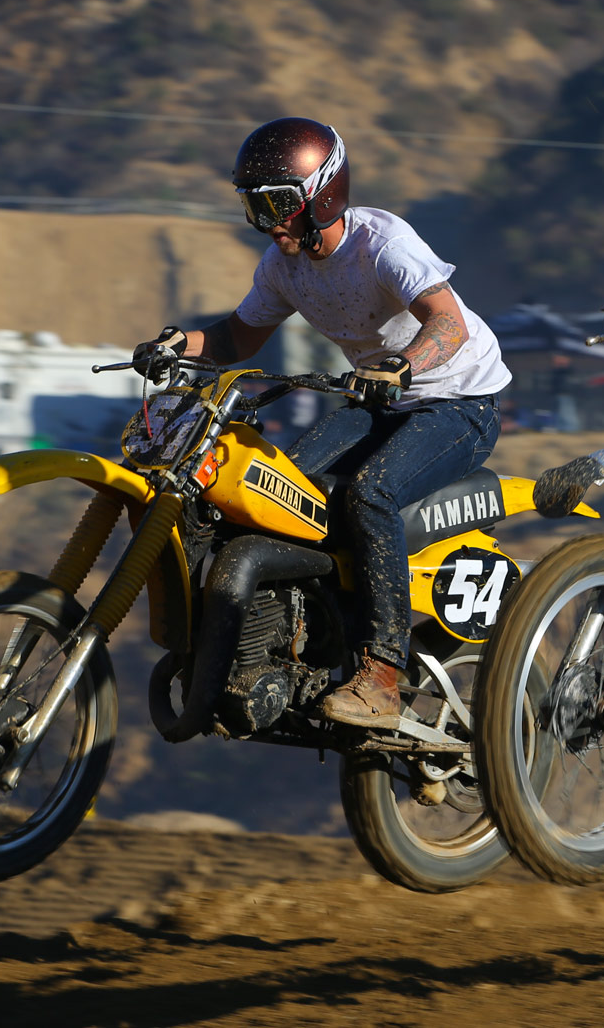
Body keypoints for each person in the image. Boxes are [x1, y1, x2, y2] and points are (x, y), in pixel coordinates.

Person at [132, 117, 510, 728]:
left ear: (322, 194)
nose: (268, 223)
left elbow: (449, 325)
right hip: (380, 403)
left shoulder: (382, 244)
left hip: (460, 403)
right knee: (275, 491)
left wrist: (402, 366)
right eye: (255, 208)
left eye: (277, 205)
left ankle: (382, 674)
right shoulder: (285, 266)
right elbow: (237, 338)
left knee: (369, 494)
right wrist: (177, 344)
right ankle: (291, 643)